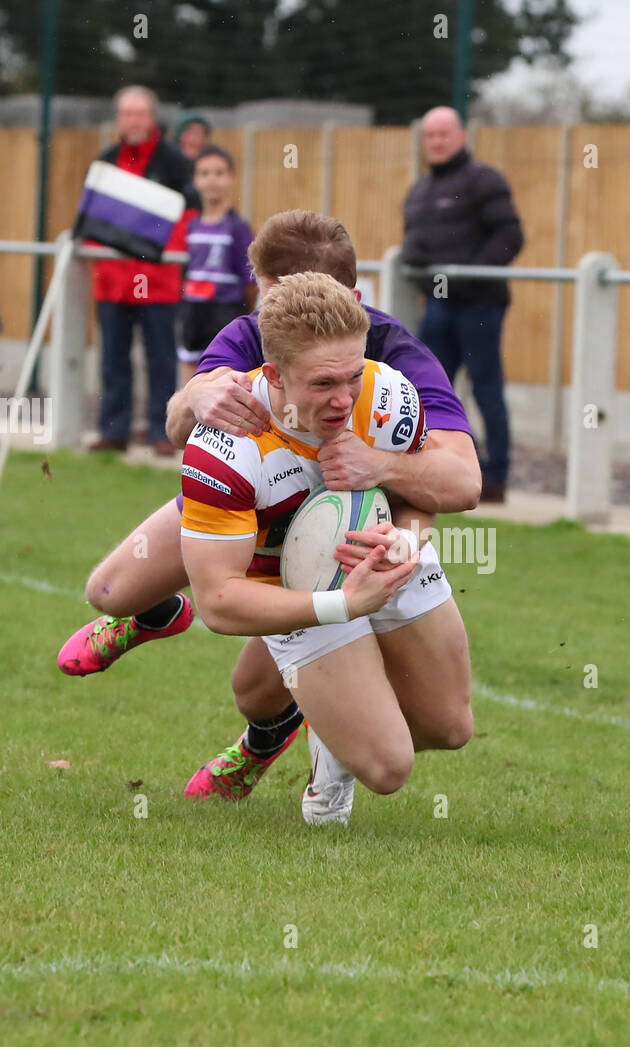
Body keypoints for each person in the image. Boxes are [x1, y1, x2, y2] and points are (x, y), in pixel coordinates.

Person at [56, 210, 480, 810]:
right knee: (110, 590)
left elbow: (458, 481)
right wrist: (193, 396)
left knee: (444, 726)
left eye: (280, 295)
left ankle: (282, 726)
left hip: (354, 528)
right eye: (266, 294)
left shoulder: (390, 373)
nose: (268, 311)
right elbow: (183, 432)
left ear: (347, 301)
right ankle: (158, 617)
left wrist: (385, 494)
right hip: (253, 515)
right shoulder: (250, 345)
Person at [180, 270, 472, 825]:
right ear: (275, 375)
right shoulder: (226, 445)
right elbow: (217, 601)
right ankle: (327, 736)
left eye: (351, 376)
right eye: (322, 385)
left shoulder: (386, 394)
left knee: (450, 728)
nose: (344, 399)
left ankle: (326, 707)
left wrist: (405, 540)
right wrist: (343, 606)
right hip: (295, 588)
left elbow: (429, 498)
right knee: (387, 767)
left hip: (381, 560)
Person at [402, 106, 524, 503]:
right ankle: (432, 465)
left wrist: (467, 275)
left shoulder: (483, 180)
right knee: (426, 388)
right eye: (429, 135)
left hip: (480, 306)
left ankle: (495, 477)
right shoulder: (419, 190)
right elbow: (413, 246)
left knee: (487, 388)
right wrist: (421, 268)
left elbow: (510, 236)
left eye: (443, 134)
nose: (436, 142)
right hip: (436, 308)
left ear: (461, 137)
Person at [89, 85, 194, 457]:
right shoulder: (106, 159)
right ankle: (112, 430)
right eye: (126, 114)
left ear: (152, 118)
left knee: (161, 358)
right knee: (113, 359)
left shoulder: (174, 162)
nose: (132, 121)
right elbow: (90, 217)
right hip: (113, 282)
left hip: (159, 281)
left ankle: (162, 432)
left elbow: (188, 217)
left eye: (139, 113)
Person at [174, 146, 255, 387]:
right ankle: (188, 423)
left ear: (231, 178)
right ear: (195, 179)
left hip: (226, 311)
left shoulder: (238, 226)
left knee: (224, 373)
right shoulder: (190, 225)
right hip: (193, 311)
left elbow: (249, 280)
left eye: (219, 173)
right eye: (205, 173)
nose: (212, 180)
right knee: (190, 374)